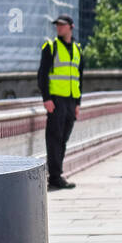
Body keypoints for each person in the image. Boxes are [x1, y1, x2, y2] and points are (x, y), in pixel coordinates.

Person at [38, 14, 82, 190]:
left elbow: (80, 77)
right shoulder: (50, 47)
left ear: (71, 27)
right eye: (57, 25)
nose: (59, 28)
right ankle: (55, 177)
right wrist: (46, 99)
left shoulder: (78, 49)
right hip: (56, 100)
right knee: (54, 138)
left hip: (71, 101)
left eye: (62, 25)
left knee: (63, 138)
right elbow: (42, 75)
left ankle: (57, 174)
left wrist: (78, 102)